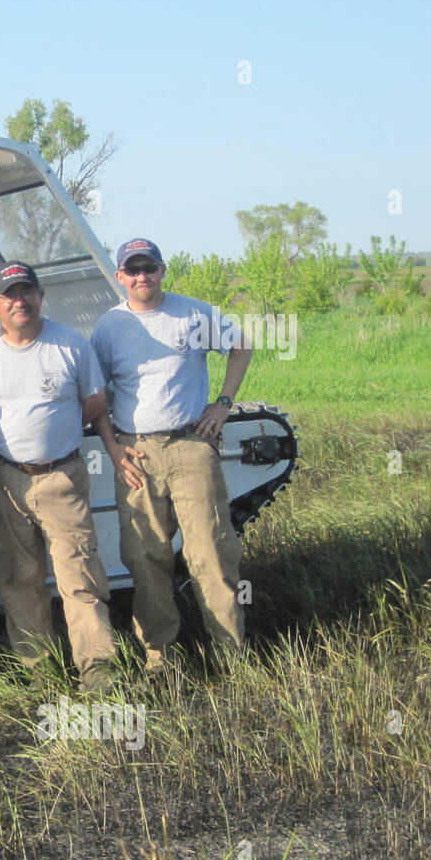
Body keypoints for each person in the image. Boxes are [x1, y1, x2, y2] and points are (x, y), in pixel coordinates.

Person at [91, 237, 253, 674]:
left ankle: (230, 654)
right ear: (120, 276)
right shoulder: (108, 327)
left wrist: (222, 403)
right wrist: (112, 445)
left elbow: (242, 347)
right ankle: (160, 658)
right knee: (146, 557)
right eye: (133, 269)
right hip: (136, 452)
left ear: (163, 270)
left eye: (150, 267)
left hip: (191, 445)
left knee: (212, 553)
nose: (142, 276)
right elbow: (94, 395)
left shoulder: (194, 312)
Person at [0, 261, 117, 693]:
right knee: (18, 578)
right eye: (10, 294)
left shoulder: (70, 344)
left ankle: (98, 670)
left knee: (80, 576)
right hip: (5, 478)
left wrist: (52, 438)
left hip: (62, 477)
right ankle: (41, 673)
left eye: (27, 292)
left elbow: (94, 403)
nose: (20, 301)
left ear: (40, 296)